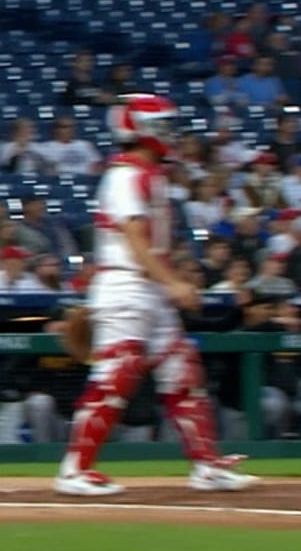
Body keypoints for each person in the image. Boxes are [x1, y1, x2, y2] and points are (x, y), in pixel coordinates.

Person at [54, 94, 257, 496]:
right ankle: (74, 470)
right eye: (162, 126)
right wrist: (173, 283)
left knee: (182, 370)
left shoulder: (151, 175)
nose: (170, 134)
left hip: (148, 287)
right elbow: (134, 240)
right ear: (141, 129)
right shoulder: (125, 175)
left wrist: (170, 282)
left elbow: (152, 246)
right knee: (118, 374)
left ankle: (206, 466)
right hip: (125, 284)